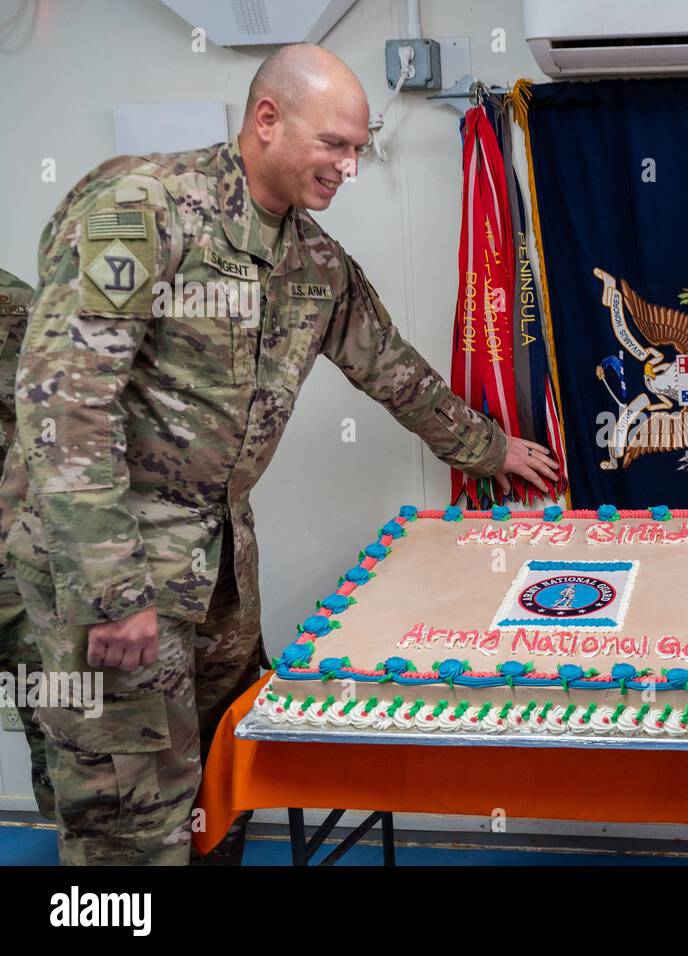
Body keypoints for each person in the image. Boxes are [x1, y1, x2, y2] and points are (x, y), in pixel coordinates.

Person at [0, 43, 558, 865]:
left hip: (219, 577)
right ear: (268, 120)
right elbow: (64, 401)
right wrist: (113, 589)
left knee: (217, 800)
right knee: (124, 823)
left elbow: (393, 371)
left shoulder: (313, 261)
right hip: (106, 582)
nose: (348, 167)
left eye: (359, 150)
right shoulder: (145, 209)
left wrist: (490, 448)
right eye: (334, 144)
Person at [0, 267, 52, 819]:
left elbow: (53, 427)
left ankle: (82, 852)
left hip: (17, 556)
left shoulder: (16, 305)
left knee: (52, 710)